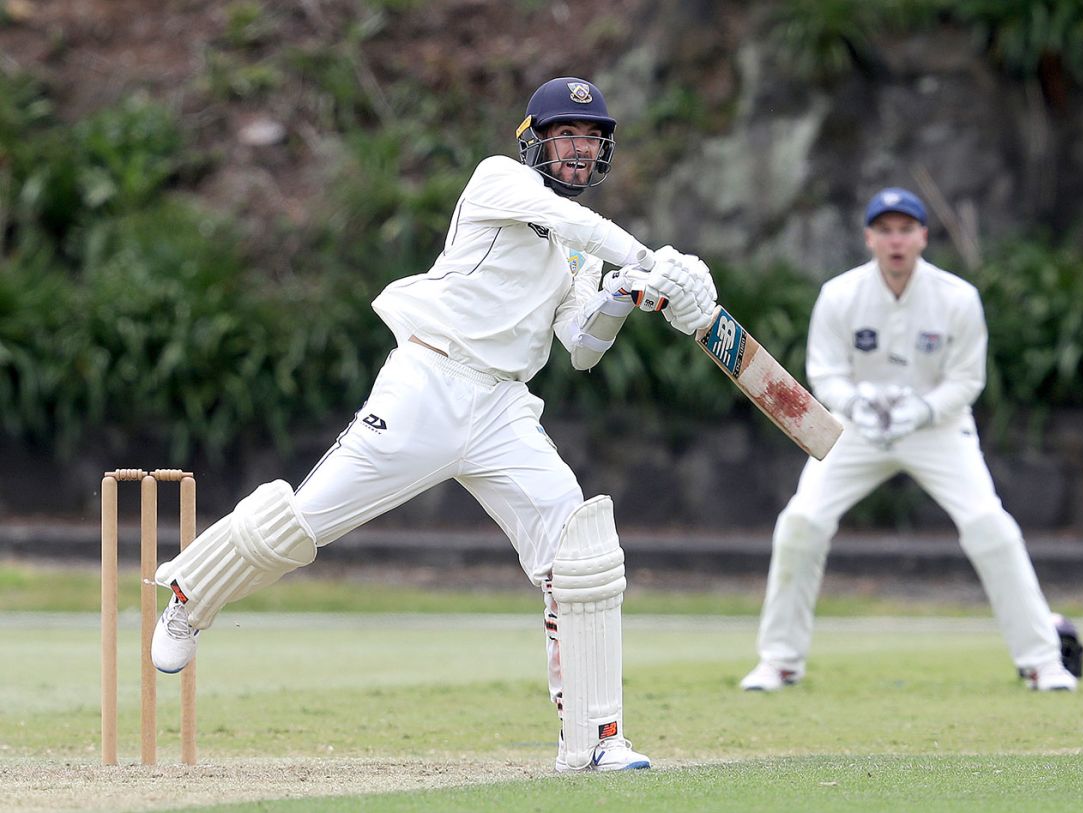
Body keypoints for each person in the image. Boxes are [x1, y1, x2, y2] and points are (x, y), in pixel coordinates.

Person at [150, 76, 719, 771]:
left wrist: (625, 294)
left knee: (578, 552)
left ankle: (594, 741)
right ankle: (191, 594)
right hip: (428, 382)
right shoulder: (499, 180)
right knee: (305, 521)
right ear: (535, 141)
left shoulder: (586, 251)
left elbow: (581, 347)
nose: (580, 148)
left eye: (592, 138)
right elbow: (573, 222)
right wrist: (652, 261)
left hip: (504, 407)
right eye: (567, 134)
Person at [740, 187, 1079, 694]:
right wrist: (857, 404)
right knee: (802, 523)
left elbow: (967, 379)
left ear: (922, 236)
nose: (895, 241)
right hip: (857, 428)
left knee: (990, 526)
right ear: (869, 238)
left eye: (905, 230)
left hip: (937, 428)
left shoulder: (957, 298)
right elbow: (825, 373)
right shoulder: (839, 294)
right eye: (885, 231)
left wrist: (921, 409)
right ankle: (780, 662)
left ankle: (1042, 662)